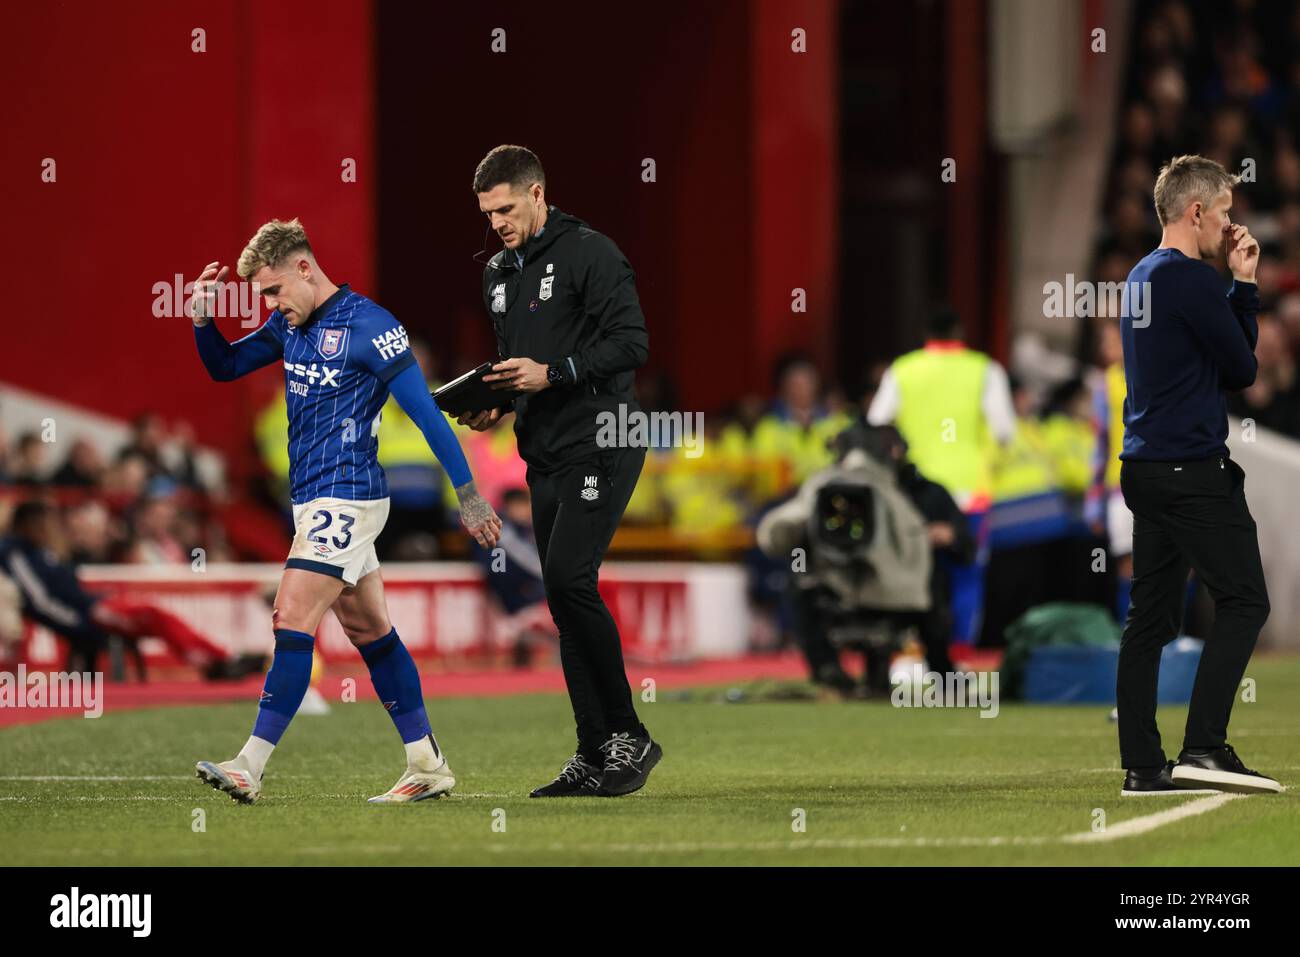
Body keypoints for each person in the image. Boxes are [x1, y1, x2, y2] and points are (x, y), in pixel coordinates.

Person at [187, 218, 501, 805]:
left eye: (275, 291)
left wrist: (468, 493)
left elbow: (429, 416)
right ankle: (427, 763)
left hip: (349, 494)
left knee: (290, 614)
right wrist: (203, 320)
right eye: (263, 298)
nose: (272, 306)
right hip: (312, 499)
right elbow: (224, 366)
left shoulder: (372, 328)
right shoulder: (291, 325)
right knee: (370, 631)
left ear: (305, 268)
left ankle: (249, 765)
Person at [460, 145, 660, 797]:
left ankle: (630, 734)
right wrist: (495, 398)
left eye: (507, 208)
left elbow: (632, 343)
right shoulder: (496, 273)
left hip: (603, 437)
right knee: (563, 595)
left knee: (570, 580)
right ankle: (593, 749)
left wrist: (554, 373)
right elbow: (519, 360)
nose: (498, 223)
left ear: (539, 192)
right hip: (543, 450)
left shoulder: (591, 253)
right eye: (489, 213)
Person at [1116, 155, 1280, 796]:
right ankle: (1205, 748)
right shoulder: (1189, 280)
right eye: (1223, 212)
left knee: (1148, 621)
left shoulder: (1138, 276)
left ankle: (1143, 765)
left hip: (1146, 467)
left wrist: (1232, 285)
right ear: (1195, 212)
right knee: (1244, 601)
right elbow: (1243, 370)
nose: (1228, 225)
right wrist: (1243, 285)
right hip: (1190, 469)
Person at [867, 308, 1016, 646]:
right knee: (967, 574)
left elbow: (877, 425)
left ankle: (912, 652)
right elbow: (1005, 432)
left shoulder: (903, 370)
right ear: (960, 332)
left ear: (925, 335)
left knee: (911, 573)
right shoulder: (985, 370)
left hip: (915, 492)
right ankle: (959, 653)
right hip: (970, 490)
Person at [0, 500, 253, 679]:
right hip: (89, 613)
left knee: (155, 614)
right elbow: (39, 601)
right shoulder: (17, 553)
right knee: (153, 614)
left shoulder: (39, 551)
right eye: (45, 523)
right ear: (28, 524)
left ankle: (217, 659)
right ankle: (217, 660)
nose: (50, 529)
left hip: (92, 606)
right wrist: (78, 625)